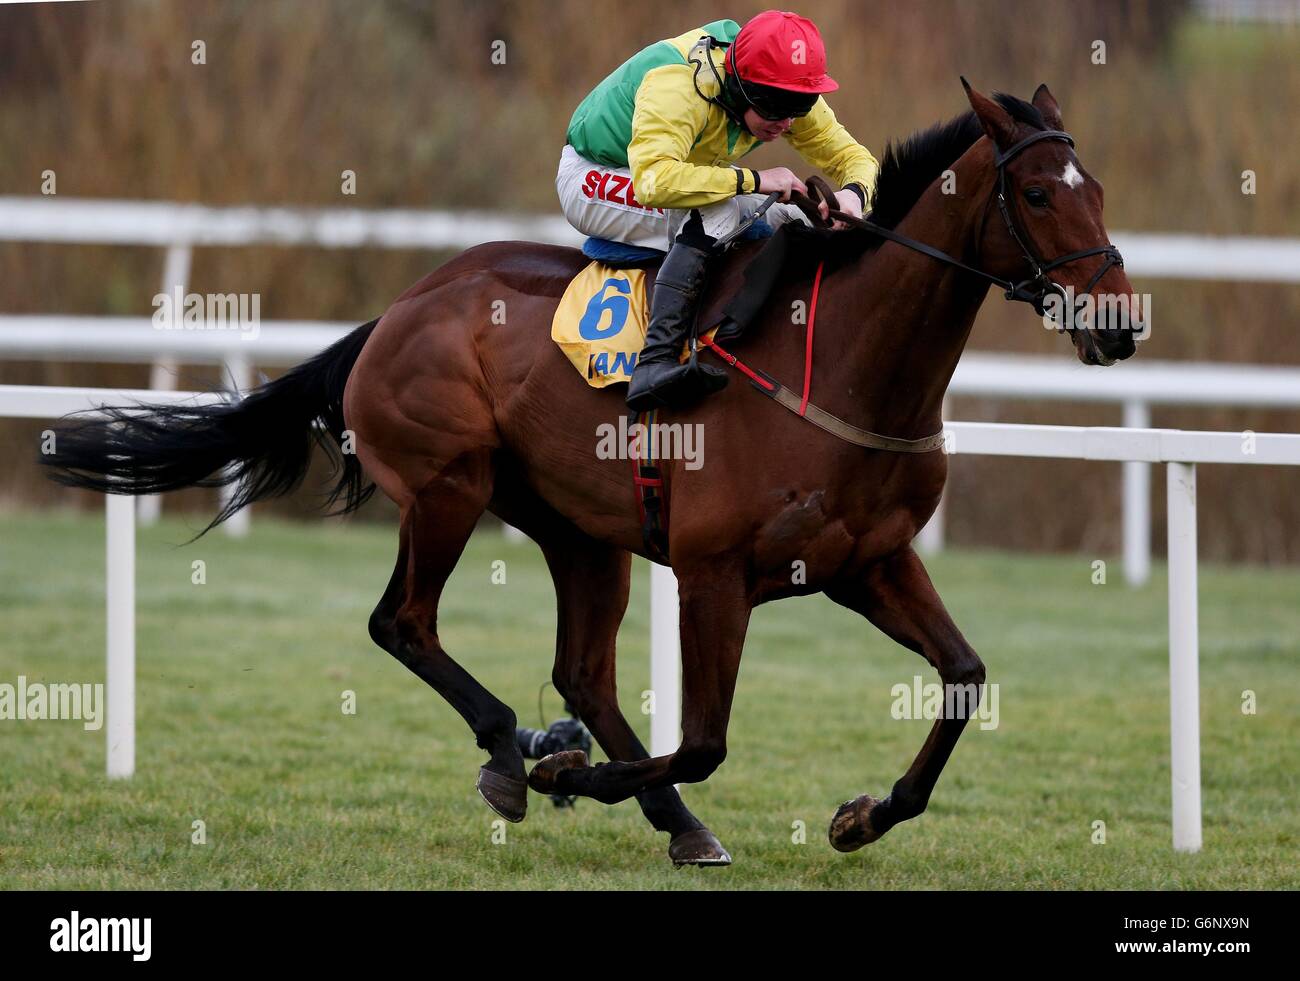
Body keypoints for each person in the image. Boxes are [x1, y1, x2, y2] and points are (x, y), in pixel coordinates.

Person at [556, 11, 880, 411]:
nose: (786, 122)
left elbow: (855, 158)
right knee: (718, 212)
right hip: (596, 175)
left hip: (675, 171)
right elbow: (655, 181)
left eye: (799, 107)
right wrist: (755, 180)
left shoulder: (781, 89)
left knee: (798, 216)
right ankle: (655, 363)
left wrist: (853, 195)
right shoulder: (679, 85)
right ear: (741, 85)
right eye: (775, 108)